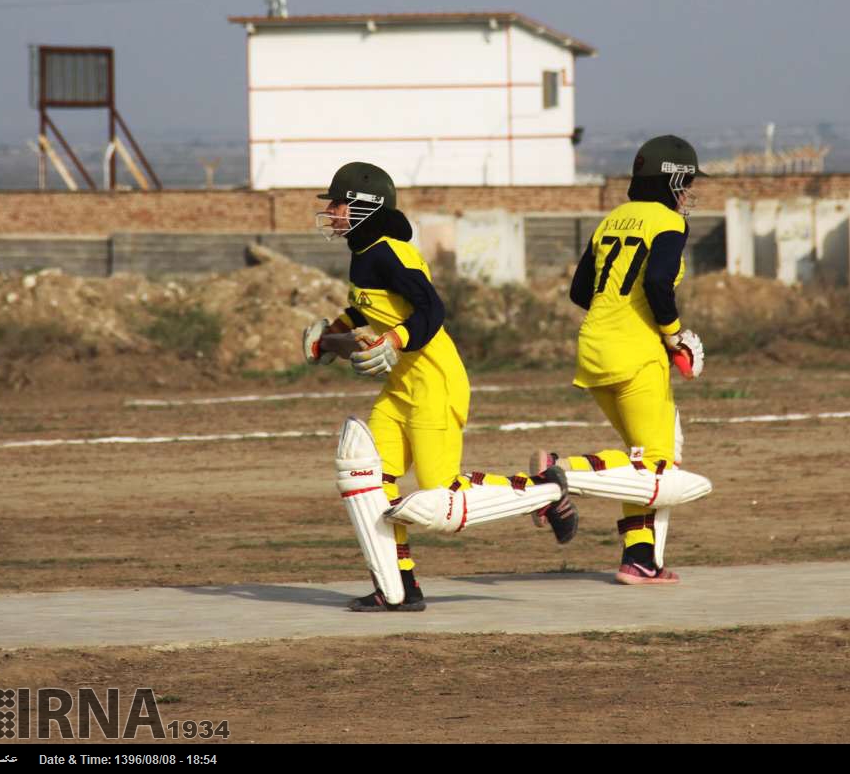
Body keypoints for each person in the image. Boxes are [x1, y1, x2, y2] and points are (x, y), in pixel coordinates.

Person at [304, 162, 578, 612]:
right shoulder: (363, 252)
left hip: (435, 383)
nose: (331, 211)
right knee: (375, 484)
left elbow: (432, 309)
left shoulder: (391, 251)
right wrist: (332, 334)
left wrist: (394, 340)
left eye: (338, 203)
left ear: (365, 206)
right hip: (399, 388)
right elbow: (367, 308)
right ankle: (399, 587)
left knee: (442, 502)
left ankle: (546, 490)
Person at [532, 135, 712, 585]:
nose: (689, 189)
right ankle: (558, 471)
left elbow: (580, 291)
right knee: (655, 463)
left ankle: (638, 557)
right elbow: (657, 283)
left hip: (594, 347)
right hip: (636, 355)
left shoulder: (611, 220)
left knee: (638, 458)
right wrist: (673, 337)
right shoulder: (668, 221)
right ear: (671, 179)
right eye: (686, 180)